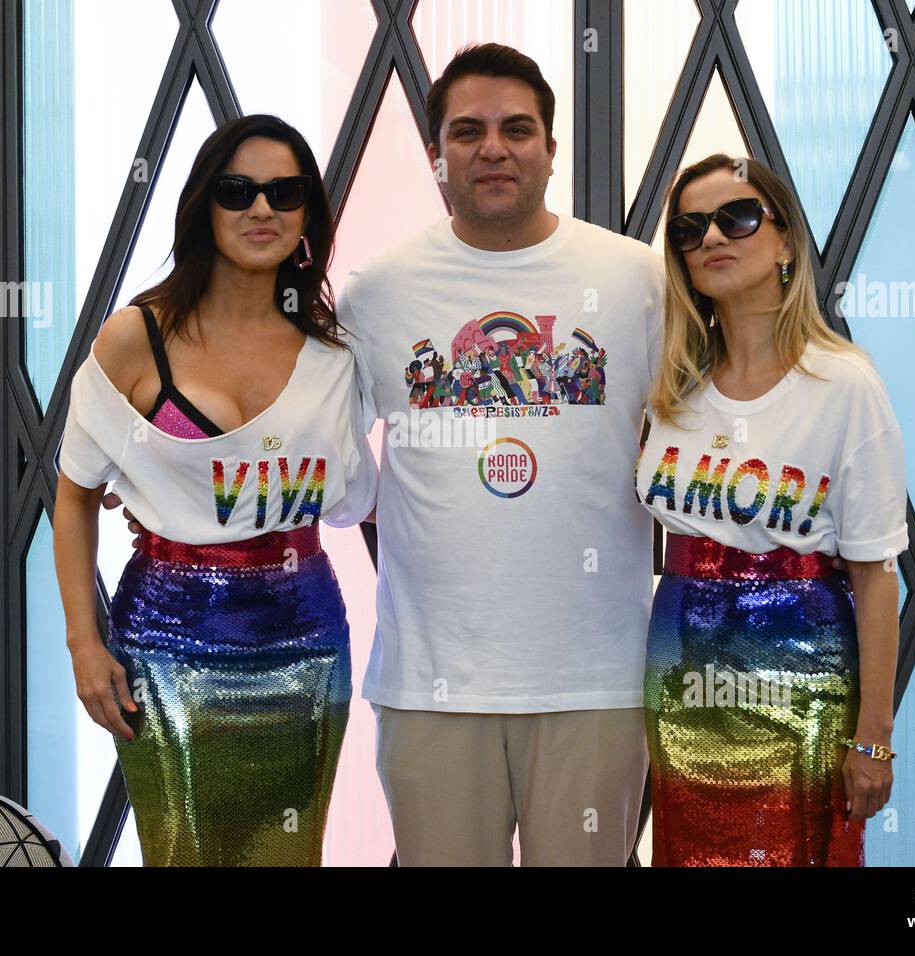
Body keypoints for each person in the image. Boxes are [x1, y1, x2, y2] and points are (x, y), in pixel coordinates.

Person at [337, 43, 664, 866]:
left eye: (518, 129)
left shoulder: (635, 280)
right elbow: (316, 449)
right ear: (436, 154)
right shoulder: (377, 291)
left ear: (551, 149)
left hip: (596, 680)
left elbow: (715, 423)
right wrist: (173, 469)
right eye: (468, 130)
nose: (493, 147)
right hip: (433, 682)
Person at [53, 114, 377, 866]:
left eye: (283, 192)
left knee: (286, 855)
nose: (261, 209)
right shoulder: (139, 337)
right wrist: (83, 645)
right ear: (204, 205)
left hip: (304, 637)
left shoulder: (334, 353)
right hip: (166, 639)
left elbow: (355, 498)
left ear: (306, 216)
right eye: (237, 191)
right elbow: (74, 495)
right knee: (182, 852)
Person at [635, 153, 905, 866]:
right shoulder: (673, 389)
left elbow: (878, 576)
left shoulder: (844, 383)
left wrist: (873, 739)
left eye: (739, 217)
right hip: (682, 668)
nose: (713, 238)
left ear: (786, 240)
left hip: (801, 675)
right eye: (690, 230)